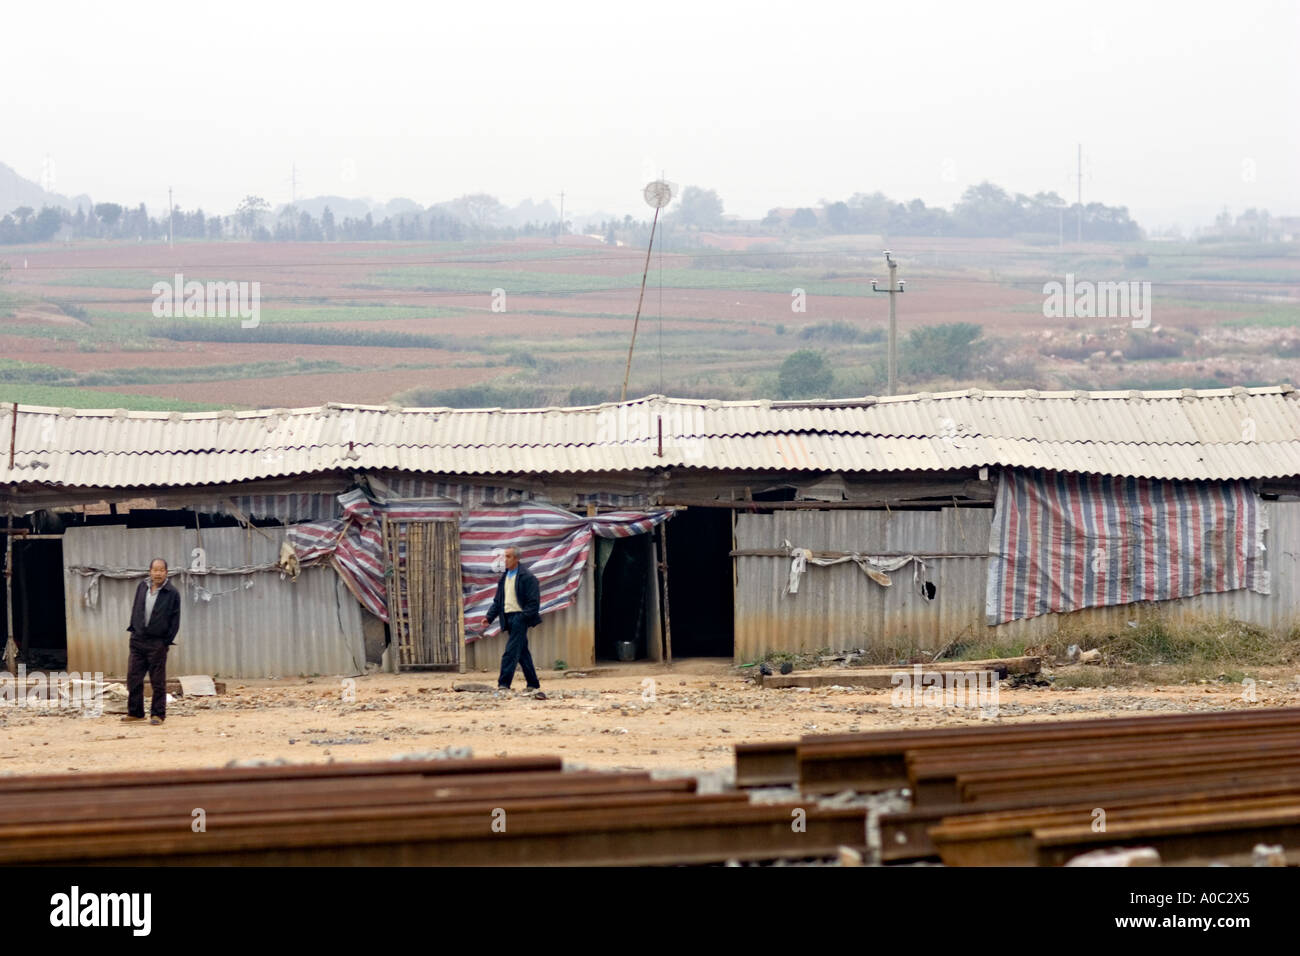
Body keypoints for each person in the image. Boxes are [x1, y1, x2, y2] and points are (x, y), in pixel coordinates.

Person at [122, 557, 181, 725]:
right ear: (150, 572)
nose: (157, 573)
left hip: (157, 643)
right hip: (138, 640)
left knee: (157, 680)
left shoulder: (172, 593)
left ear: (166, 573)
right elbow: (136, 608)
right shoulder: (142, 587)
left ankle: (158, 714)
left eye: (161, 570)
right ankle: (135, 712)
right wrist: (134, 629)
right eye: (155, 570)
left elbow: (175, 620)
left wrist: (165, 641)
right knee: (133, 678)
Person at [483, 546, 544, 697]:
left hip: (519, 617)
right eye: (505, 556)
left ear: (516, 559)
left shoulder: (527, 577)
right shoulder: (505, 577)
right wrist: (489, 617)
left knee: (510, 652)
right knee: (522, 652)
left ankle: (503, 684)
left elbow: (533, 602)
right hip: (508, 617)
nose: (505, 560)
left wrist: (523, 617)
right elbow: (498, 601)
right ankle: (533, 684)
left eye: (508, 556)